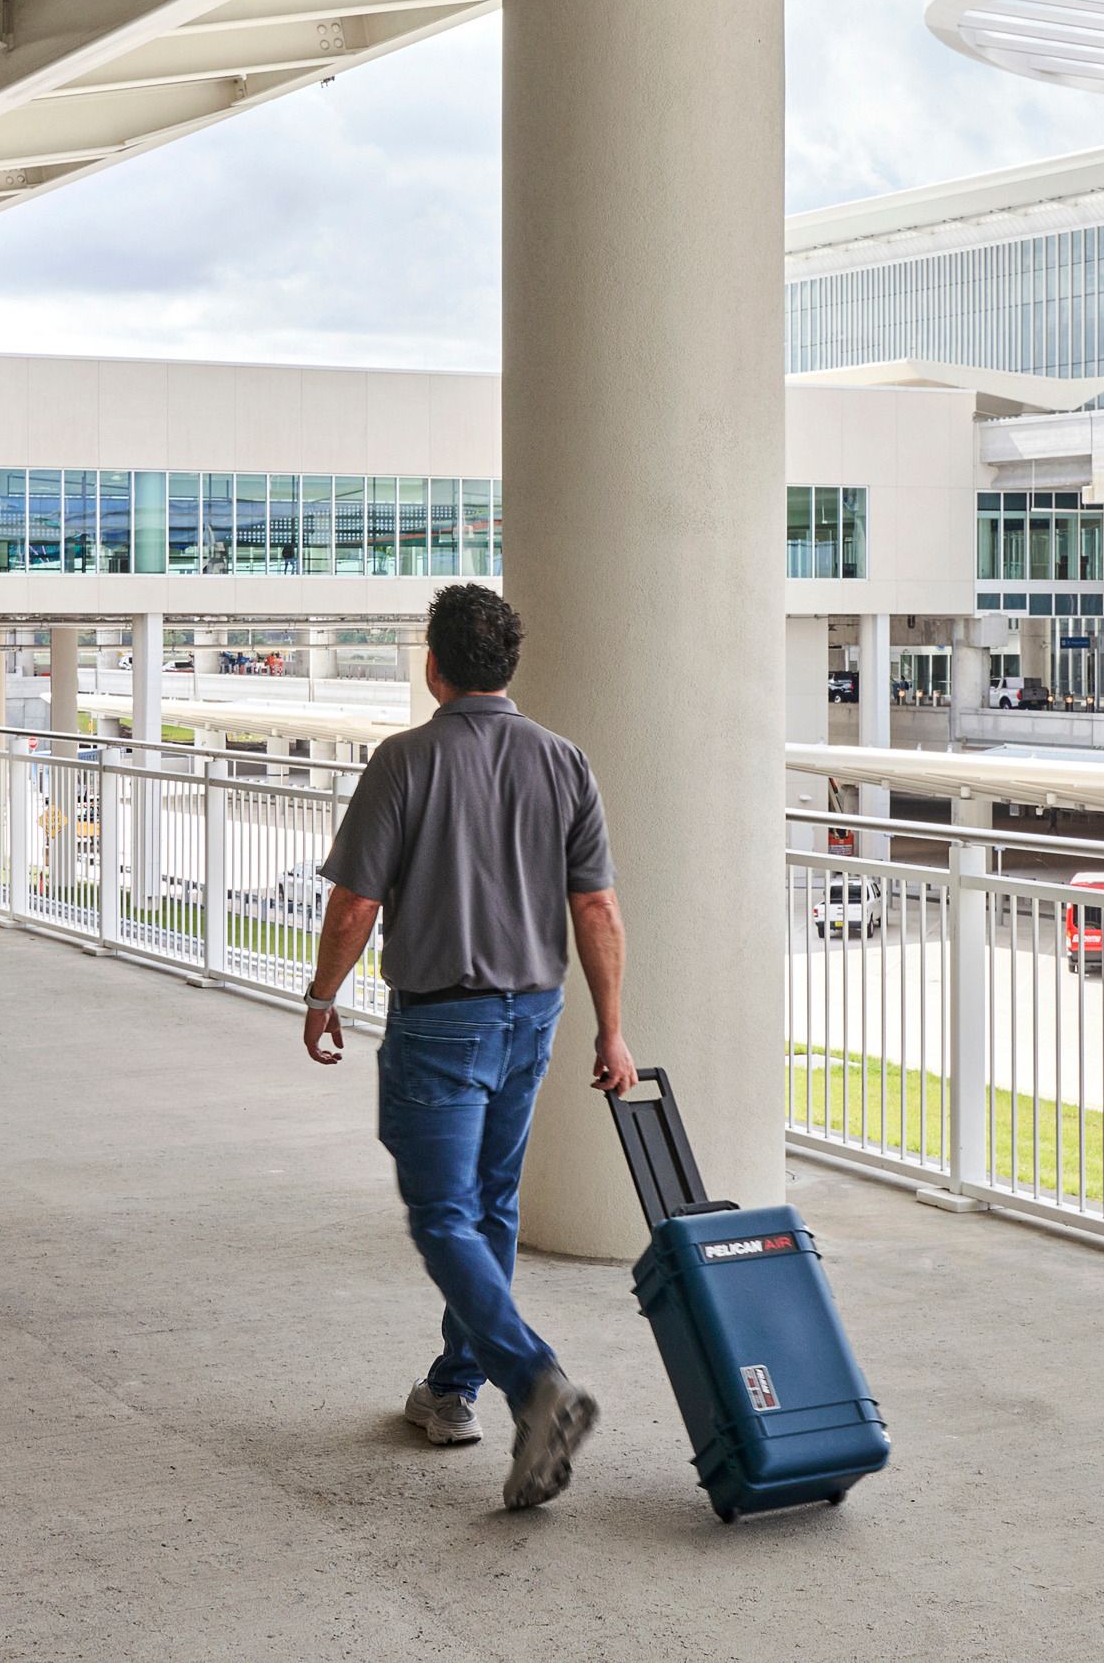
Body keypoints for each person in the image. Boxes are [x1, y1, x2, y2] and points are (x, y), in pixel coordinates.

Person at [300, 583, 633, 1512]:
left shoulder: (405, 761)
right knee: (489, 1205)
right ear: (506, 665)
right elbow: (596, 906)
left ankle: (535, 1384)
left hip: (441, 1018)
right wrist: (610, 1027)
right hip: (535, 1013)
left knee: (445, 1213)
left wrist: (324, 994)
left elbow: (356, 904)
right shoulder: (565, 761)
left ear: (433, 665)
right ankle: (453, 1389)